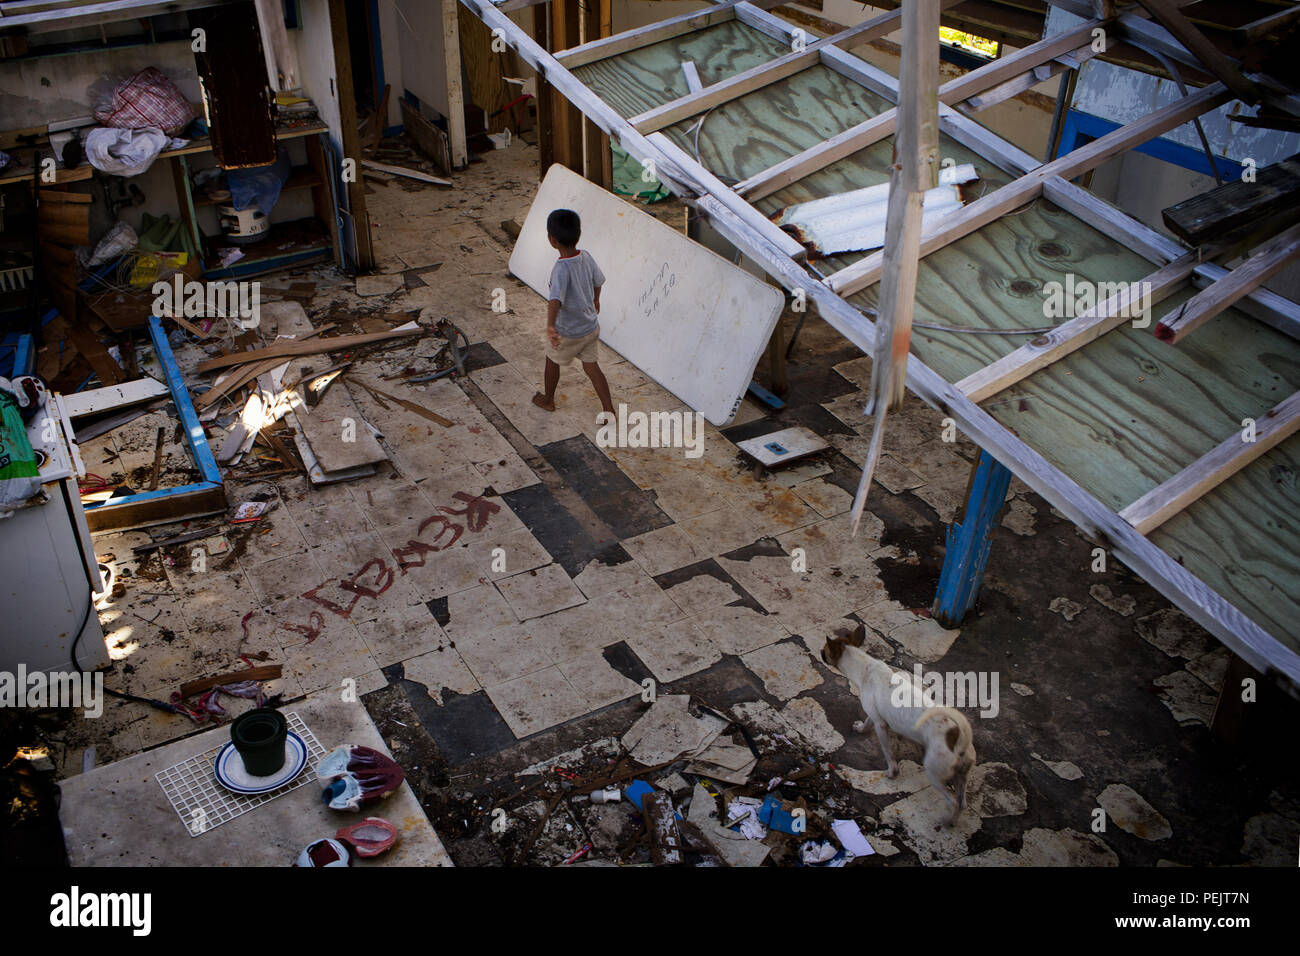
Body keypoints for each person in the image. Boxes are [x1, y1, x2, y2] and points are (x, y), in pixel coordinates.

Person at [531, 208, 615, 416]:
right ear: (579, 234)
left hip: (568, 332)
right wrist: (596, 299)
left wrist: (551, 326)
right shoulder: (585, 257)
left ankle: (548, 399)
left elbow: (555, 300)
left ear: (552, 240)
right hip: (590, 326)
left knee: (552, 360)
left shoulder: (561, 268)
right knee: (592, 368)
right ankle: (609, 410)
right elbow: (598, 281)